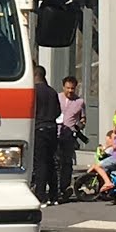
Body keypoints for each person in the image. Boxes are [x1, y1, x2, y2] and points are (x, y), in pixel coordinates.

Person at [32, 64, 63, 205]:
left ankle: (41, 195)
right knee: (51, 161)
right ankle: (54, 195)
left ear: (35, 75)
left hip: (39, 128)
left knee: (40, 163)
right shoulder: (52, 92)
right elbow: (58, 111)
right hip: (52, 127)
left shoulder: (33, 91)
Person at [86, 114, 116, 193]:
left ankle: (107, 182)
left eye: (115, 126)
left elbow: (114, 147)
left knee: (97, 166)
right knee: (114, 174)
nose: (113, 128)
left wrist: (113, 137)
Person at [57, 76, 87, 193]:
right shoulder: (57, 98)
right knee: (56, 161)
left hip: (69, 135)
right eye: (68, 88)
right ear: (63, 87)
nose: (70, 91)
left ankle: (64, 186)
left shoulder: (80, 102)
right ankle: (56, 186)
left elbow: (83, 119)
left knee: (67, 161)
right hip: (56, 133)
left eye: (72, 88)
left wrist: (79, 126)